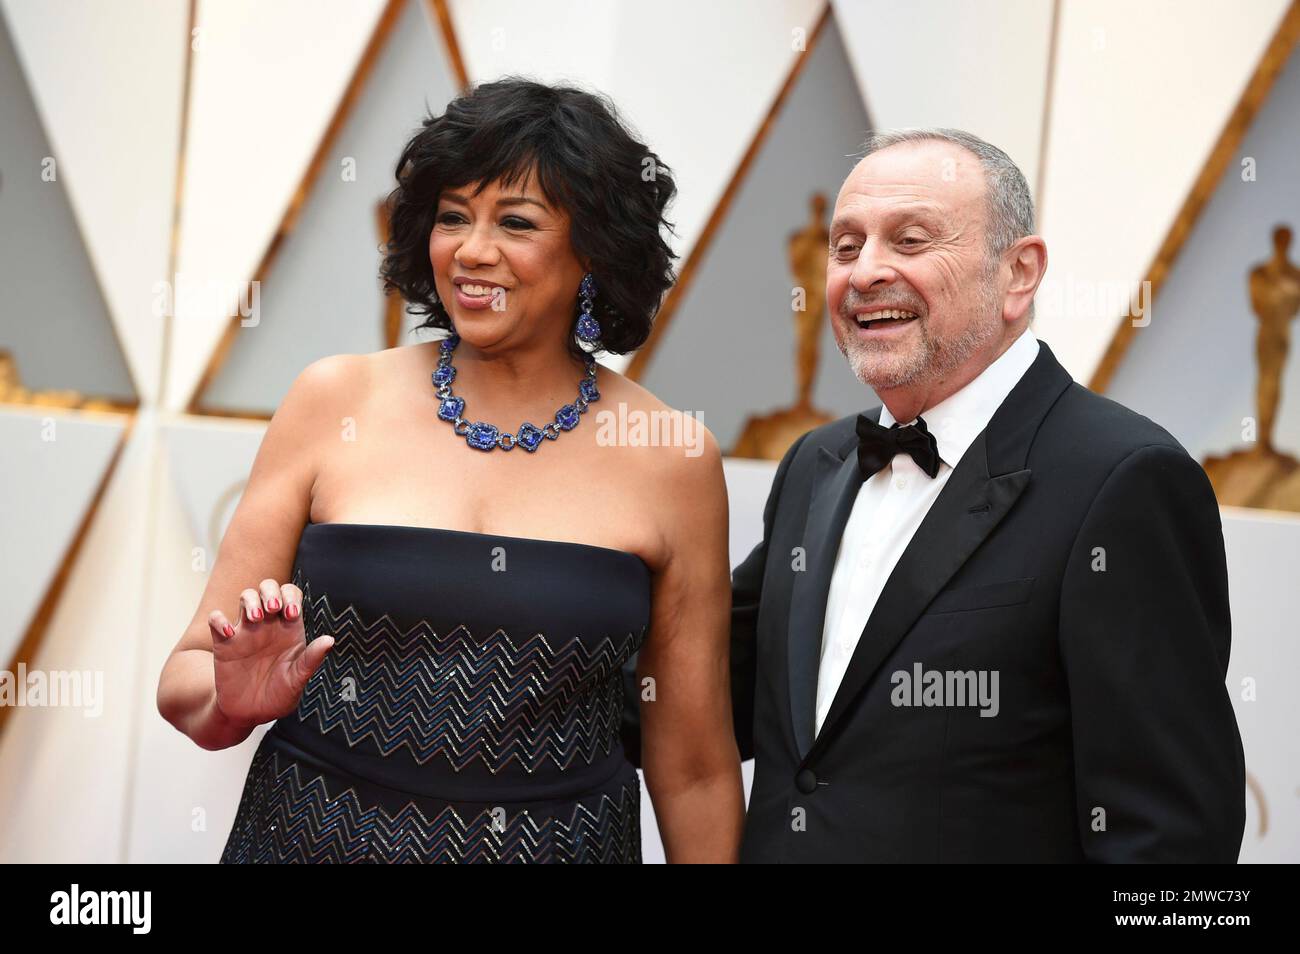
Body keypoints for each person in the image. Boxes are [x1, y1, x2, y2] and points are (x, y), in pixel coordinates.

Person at [156, 78, 743, 863]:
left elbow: (696, 766)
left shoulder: (675, 458)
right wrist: (232, 703)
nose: (471, 250)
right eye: (453, 217)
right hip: (309, 839)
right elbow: (188, 679)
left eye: (516, 222)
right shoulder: (334, 397)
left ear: (594, 251)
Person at [730, 127, 1246, 862]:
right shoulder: (817, 462)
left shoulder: (1124, 479)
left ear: (1019, 273)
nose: (866, 271)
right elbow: (699, 693)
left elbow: (1169, 838)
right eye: (846, 248)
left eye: (910, 240)